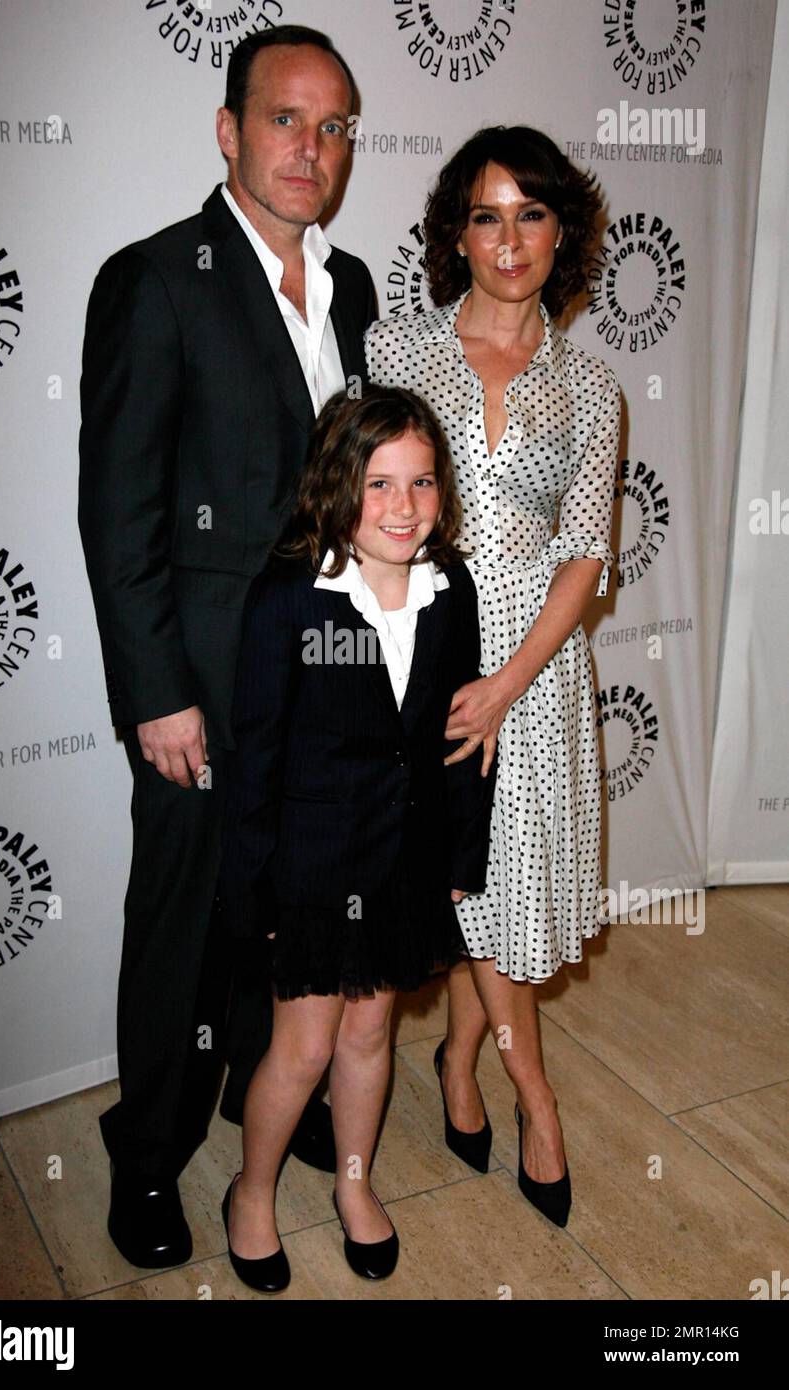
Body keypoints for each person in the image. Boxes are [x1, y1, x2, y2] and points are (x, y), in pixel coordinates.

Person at [77, 25, 376, 1269]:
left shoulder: (352, 288)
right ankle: (146, 1153)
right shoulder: (157, 278)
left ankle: (278, 1092)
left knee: (290, 914)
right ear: (228, 130)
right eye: (286, 121)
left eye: (337, 127)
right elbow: (118, 507)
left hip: (319, 682)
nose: (313, 150)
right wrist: (155, 695)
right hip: (197, 687)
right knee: (185, 926)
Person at [365, 126, 621, 1228]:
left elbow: (584, 555)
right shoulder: (397, 352)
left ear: (559, 233)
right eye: (484, 214)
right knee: (471, 891)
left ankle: (460, 1065)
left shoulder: (593, 385)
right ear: (453, 233)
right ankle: (533, 1096)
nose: (507, 238)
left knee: (501, 901)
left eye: (529, 213)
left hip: (537, 667)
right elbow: (365, 510)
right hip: (425, 656)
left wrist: (512, 679)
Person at [214, 385, 496, 1292]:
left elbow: (459, 742)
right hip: (311, 868)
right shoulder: (289, 601)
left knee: (371, 1037)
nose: (403, 508)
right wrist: (254, 889)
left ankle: (354, 1184)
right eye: (379, 485)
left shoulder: (452, 593)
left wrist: (460, 858)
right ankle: (252, 1193)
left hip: (402, 865)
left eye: (421, 484)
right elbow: (254, 762)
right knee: (301, 1048)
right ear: (336, 485)